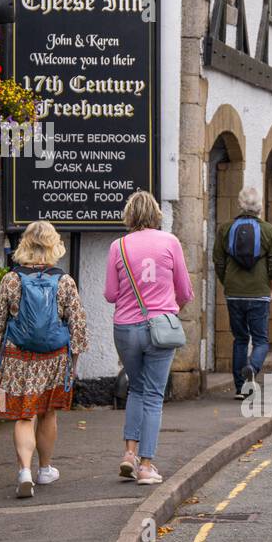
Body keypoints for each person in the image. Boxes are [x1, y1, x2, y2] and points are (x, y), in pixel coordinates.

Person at [0, 221, 88, 499]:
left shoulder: (11, 280)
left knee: (23, 415)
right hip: (53, 358)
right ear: (55, 246)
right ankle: (45, 469)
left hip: (18, 356)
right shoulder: (64, 281)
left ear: (25, 244)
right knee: (47, 412)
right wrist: (74, 361)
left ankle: (24, 471)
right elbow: (77, 326)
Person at [104, 191, 194, 486]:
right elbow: (185, 291)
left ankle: (128, 454)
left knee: (136, 390)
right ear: (157, 214)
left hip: (126, 328)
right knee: (154, 396)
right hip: (160, 328)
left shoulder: (118, 246)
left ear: (129, 215)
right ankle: (146, 465)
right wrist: (170, 307)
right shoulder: (170, 243)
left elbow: (110, 294)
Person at [213, 186, 272, 397]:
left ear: (240, 204)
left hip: (234, 292)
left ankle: (240, 388)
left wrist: (227, 282)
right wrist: (270, 287)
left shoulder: (225, 229)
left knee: (240, 339)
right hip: (259, 292)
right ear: (259, 205)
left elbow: (218, 260)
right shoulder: (268, 230)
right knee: (260, 340)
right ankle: (253, 367)